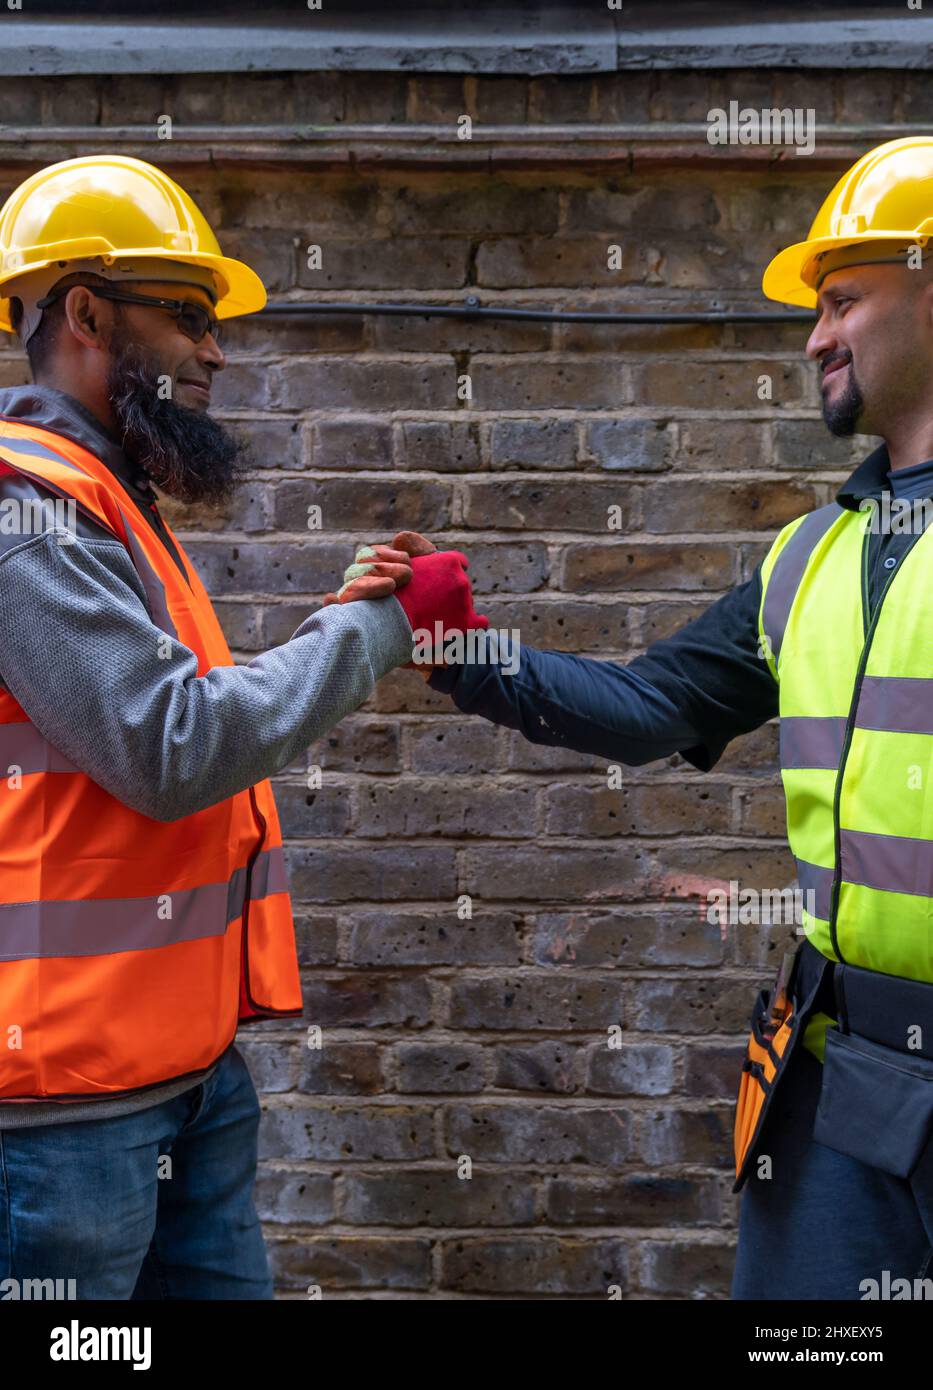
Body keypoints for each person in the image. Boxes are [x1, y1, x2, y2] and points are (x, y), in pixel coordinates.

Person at [337, 137, 933, 1300]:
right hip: (841, 1076)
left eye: (845, 299)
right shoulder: (809, 560)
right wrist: (462, 645)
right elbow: (647, 705)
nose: (815, 337)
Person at [0, 154, 486, 1300]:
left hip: (182, 1078)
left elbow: (174, 718)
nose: (215, 351)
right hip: (64, 1124)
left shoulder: (102, 502)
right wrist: (373, 636)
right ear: (85, 312)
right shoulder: (27, 516)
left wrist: (345, 615)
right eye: (189, 317)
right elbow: (172, 745)